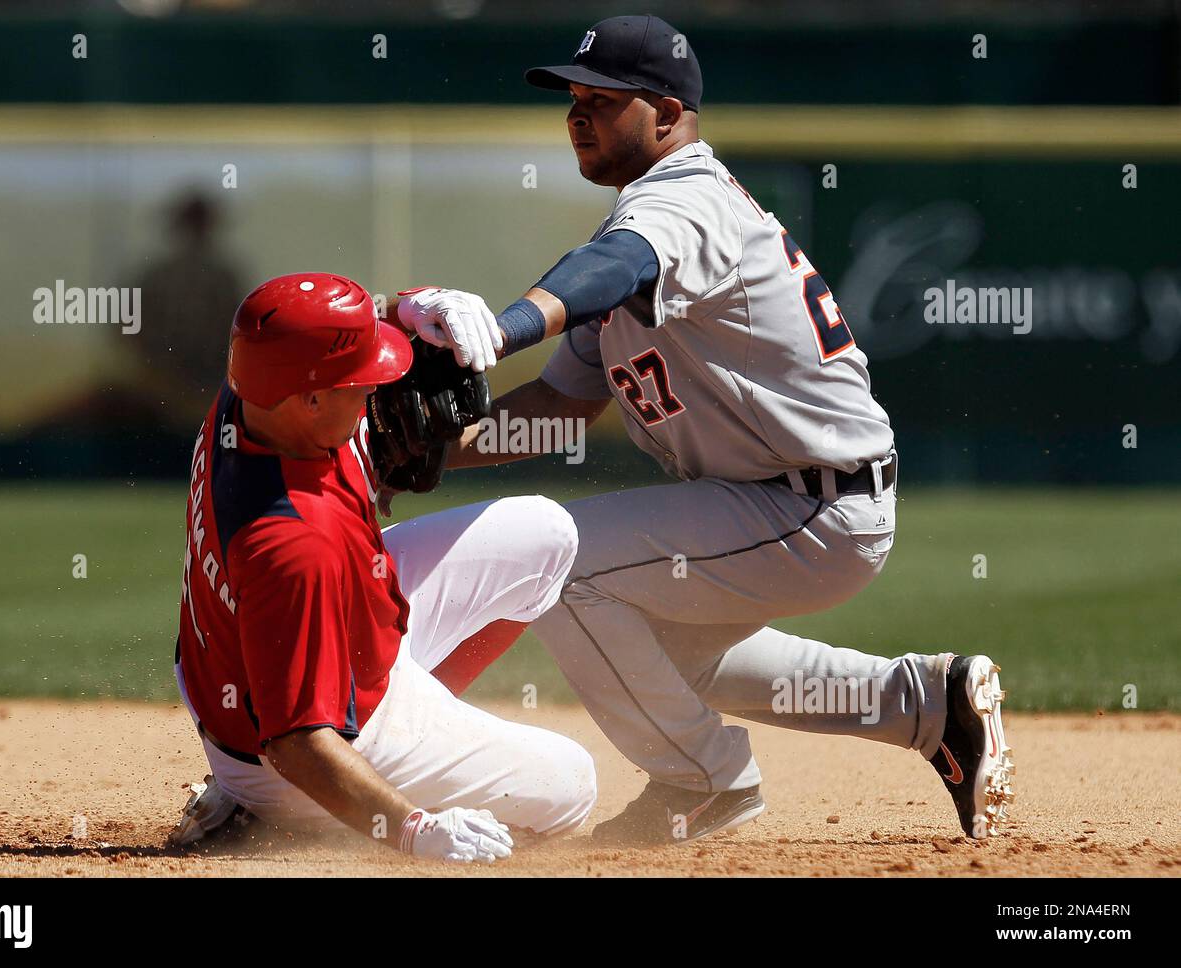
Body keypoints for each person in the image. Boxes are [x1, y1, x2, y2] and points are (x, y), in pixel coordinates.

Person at [393, 15, 1013, 847]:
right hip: (776, 500)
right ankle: (928, 706)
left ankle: (703, 781)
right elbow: (560, 406)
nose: (579, 116)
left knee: (561, 563)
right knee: (661, 654)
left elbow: (612, 268)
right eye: (574, 100)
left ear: (668, 111)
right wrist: (433, 454)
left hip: (809, 507)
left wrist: (502, 329)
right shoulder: (654, 216)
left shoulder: (682, 200)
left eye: (603, 101)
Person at [168, 272, 596, 863]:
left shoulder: (252, 394)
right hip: (288, 760)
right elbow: (297, 742)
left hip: (272, 664)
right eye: (361, 380)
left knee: (545, 535)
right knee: (573, 784)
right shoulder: (295, 544)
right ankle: (288, 809)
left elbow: (329, 322)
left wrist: (416, 306)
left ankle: (427, 739)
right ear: (311, 398)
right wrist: (410, 828)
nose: (379, 386)